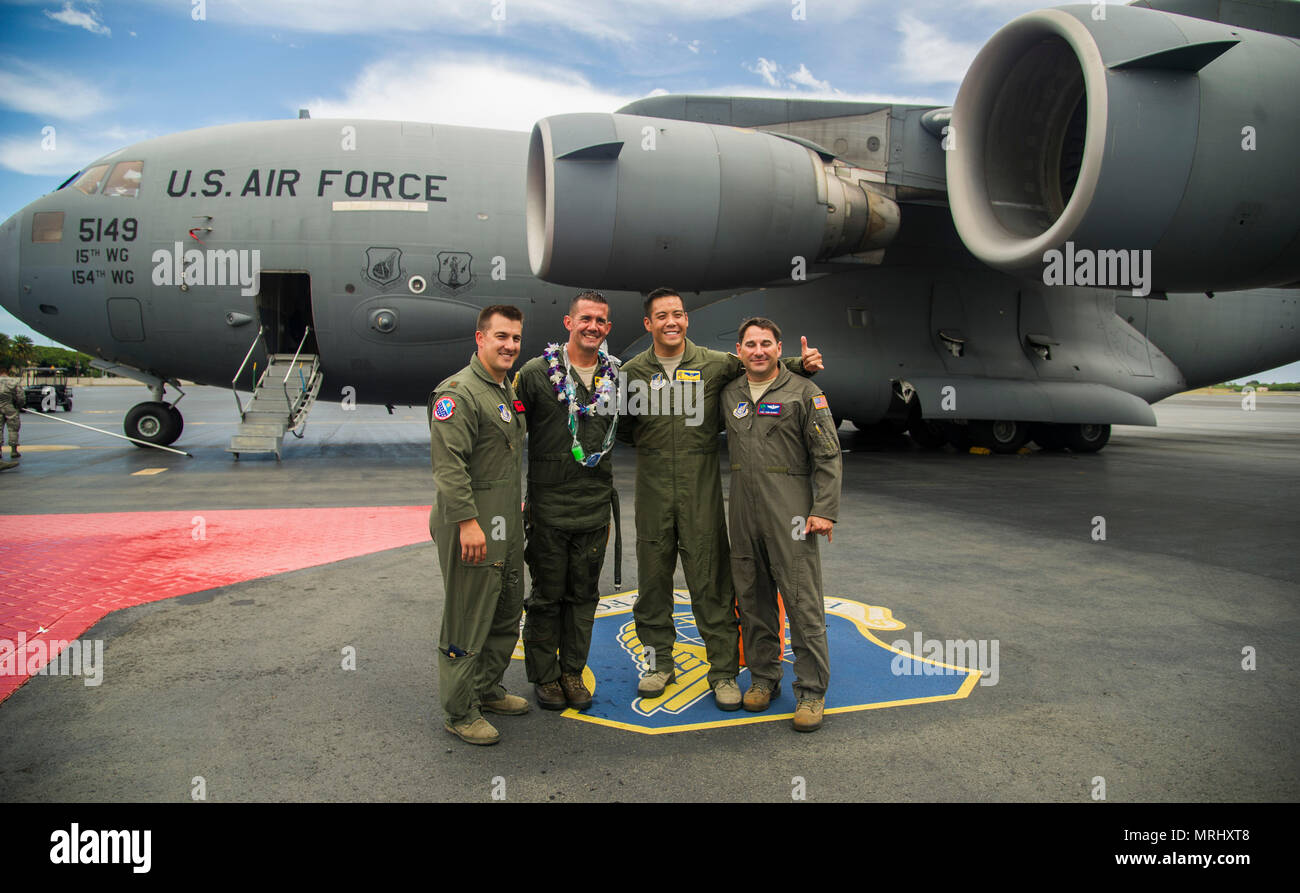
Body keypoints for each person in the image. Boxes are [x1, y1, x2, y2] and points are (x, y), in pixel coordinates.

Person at [617, 288, 823, 709]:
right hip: (653, 490)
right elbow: (622, 428)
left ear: (686, 319)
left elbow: (760, 364)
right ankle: (659, 664)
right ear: (648, 324)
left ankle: (724, 672)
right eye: (661, 316)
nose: (670, 322)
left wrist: (800, 365)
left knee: (710, 582)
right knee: (653, 586)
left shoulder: (714, 364)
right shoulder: (633, 372)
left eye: (677, 314)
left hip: (701, 488)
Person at [721, 317, 842, 731]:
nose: (758, 351)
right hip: (741, 508)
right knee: (752, 598)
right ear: (739, 351)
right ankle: (763, 678)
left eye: (766, 344)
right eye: (750, 344)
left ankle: (811, 691)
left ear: (779, 347)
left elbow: (827, 455)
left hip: (789, 509)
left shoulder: (806, 392)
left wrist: (823, 509)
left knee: (800, 599)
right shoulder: (730, 392)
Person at [428, 304, 530, 746]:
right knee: (468, 617)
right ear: (480, 338)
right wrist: (469, 523)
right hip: (472, 525)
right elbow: (449, 468)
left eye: (516, 338)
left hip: (506, 523)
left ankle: (487, 688)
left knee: (506, 610)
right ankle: (459, 710)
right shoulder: (459, 393)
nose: (510, 345)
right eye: (501, 337)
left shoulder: (503, 388)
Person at [513, 291, 617, 711]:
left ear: (607, 329)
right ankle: (545, 676)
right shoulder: (537, 374)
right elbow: (507, 422)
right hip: (549, 508)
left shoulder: (616, 376)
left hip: (593, 508)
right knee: (546, 596)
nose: (593, 326)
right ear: (568, 323)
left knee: (583, 596)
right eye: (585, 319)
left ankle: (572, 671)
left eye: (601, 321)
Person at [0, 370, 23, 461]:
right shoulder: (13, 382)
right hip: (10, 407)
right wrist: (19, 406)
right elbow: (20, 396)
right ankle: (14, 450)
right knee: (13, 428)